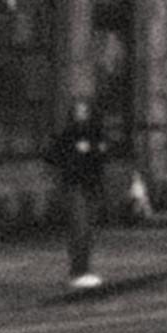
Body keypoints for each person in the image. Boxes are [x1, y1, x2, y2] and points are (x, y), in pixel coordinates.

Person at [48, 92, 111, 292]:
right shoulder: (69, 133)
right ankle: (77, 271)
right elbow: (54, 156)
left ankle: (84, 269)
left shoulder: (95, 132)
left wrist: (97, 149)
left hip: (91, 185)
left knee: (88, 230)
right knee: (79, 228)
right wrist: (76, 151)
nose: (82, 114)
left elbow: (103, 155)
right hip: (75, 185)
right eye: (79, 111)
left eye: (85, 110)